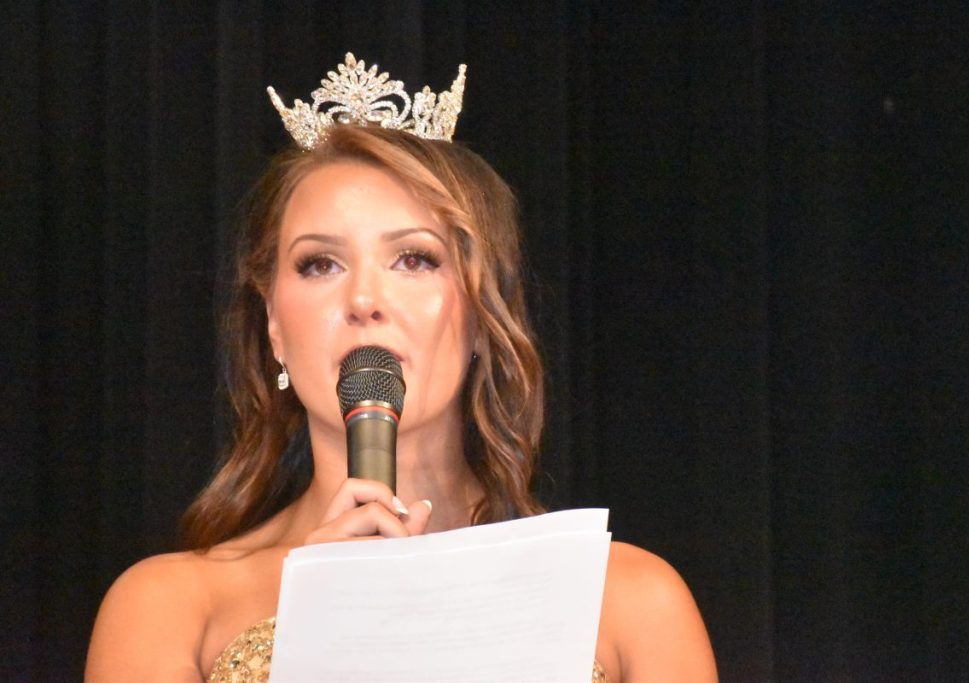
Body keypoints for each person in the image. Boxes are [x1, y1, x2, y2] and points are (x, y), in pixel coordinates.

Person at [85, 54, 717, 682]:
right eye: (320, 265)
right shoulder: (168, 609)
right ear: (274, 325)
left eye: (414, 259)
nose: (364, 301)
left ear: (479, 312)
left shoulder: (629, 604)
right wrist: (326, 643)